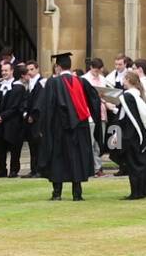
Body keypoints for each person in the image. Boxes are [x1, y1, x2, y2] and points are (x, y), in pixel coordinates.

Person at [38, 52, 101, 201]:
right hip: (80, 128)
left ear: (58, 67)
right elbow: (94, 101)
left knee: (58, 158)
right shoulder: (81, 81)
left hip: (59, 129)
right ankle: (77, 194)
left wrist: (44, 127)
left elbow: (47, 107)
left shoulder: (53, 83)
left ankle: (57, 193)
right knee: (77, 158)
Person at [114, 70, 146, 200]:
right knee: (144, 163)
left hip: (132, 134)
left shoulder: (128, 96)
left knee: (134, 163)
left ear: (129, 80)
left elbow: (124, 116)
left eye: (124, 79)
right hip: (143, 133)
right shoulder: (139, 94)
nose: (122, 81)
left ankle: (136, 192)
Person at [0, 62, 26, 178]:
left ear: (12, 71)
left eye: (6, 70)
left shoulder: (18, 87)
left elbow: (16, 106)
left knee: (14, 148)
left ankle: (14, 170)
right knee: (0, 148)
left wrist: (2, 116)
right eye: (2, 71)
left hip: (13, 122)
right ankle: (1, 169)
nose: (4, 73)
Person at [82, 58, 112, 176]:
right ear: (90, 68)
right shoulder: (85, 79)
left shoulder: (103, 79)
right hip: (90, 114)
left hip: (102, 113)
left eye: (98, 71)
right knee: (91, 141)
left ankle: (98, 167)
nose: (96, 73)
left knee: (99, 141)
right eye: (95, 71)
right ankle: (91, 167)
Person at [21, 60, 45, 178]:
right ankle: (33, 169)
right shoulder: (29, 83)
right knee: (32, 146)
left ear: (37, 69)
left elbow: (40, 102)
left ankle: (40, 170)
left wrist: (33, 116)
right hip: (29, 120)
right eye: (28, 70)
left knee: (39, 145)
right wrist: (25, 113)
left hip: (38, 120)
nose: (29, 72)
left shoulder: (42, 82)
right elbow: (26, 100)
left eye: (32, 69)